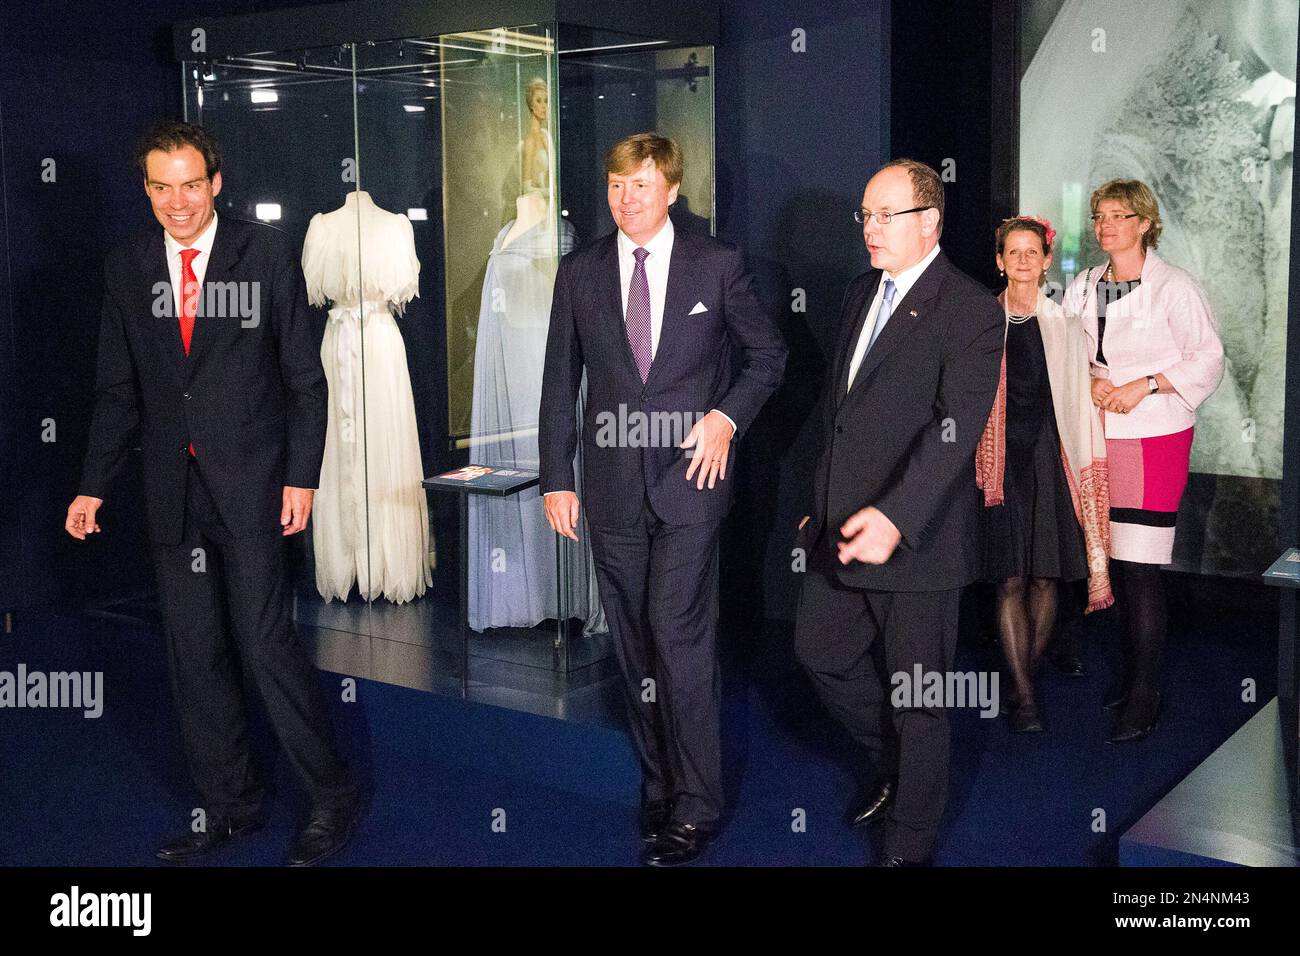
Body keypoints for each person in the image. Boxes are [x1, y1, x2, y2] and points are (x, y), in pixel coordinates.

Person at [65, 121, 359, 865]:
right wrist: (92, 487)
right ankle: (230, 804)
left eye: (191, 184)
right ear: (147, 191)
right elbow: (118, 388)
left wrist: (302, 475)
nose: (178, 201)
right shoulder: (127, 264)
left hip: (255, 485)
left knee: (263, 646)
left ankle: (330, 798)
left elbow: (302, 377)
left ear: (216, 183)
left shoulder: (261, 253)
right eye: (162, 187)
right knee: (194, 653)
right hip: (171, 489)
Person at [538, 132, 786, 866]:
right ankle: (660, 785)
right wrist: (557, 476)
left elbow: (768, 356)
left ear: (672, 189)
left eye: (641, 185)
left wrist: (725, 417)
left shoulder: (717, 264)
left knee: (678, 639)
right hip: (609, 490)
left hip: (690, 486)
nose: (627, 199)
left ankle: (697, 805)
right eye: (617, 185)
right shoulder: (579, 271)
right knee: (635, 646)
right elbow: (560, 381)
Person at [792, 159, 1003, 867]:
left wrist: (895, 516)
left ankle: (909, 843)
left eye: (886, 216)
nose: (870, 230)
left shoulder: (971, 308)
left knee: (920, 699)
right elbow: (839, 415)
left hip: (921, 543)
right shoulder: (860, 293)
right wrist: (817, 504)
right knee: (818, 653)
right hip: (842, 527)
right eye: (866, 216)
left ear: (930, 222)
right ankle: (895, 763)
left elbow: (956, 429)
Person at [1063, 179, 1223, 743]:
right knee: (1115, 561)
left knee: (1141, 567)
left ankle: (1147, 693)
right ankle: (1130, 676)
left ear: (1144, 223)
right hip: (1103, 433)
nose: (1105, 225)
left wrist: (1147, 384)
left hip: (1155, 435)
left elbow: (1209, 357)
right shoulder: (1085, 284)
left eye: (1118, 216)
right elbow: (1067, 349)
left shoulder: (1174, 286)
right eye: (1099, 216)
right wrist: (1091, 379)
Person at [975, 216, 1113, 733]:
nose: (1024, 260)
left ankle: (1020, 682)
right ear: (1000, 261)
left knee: (1046, 576)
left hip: (1049, 461)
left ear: (1047, 259)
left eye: (1033, 251)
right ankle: (1027, 698)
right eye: (1014, 252)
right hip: (1001, 465)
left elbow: (1082, 390)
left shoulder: (1065, 326)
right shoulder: (981, 324)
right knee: (1010, 577)